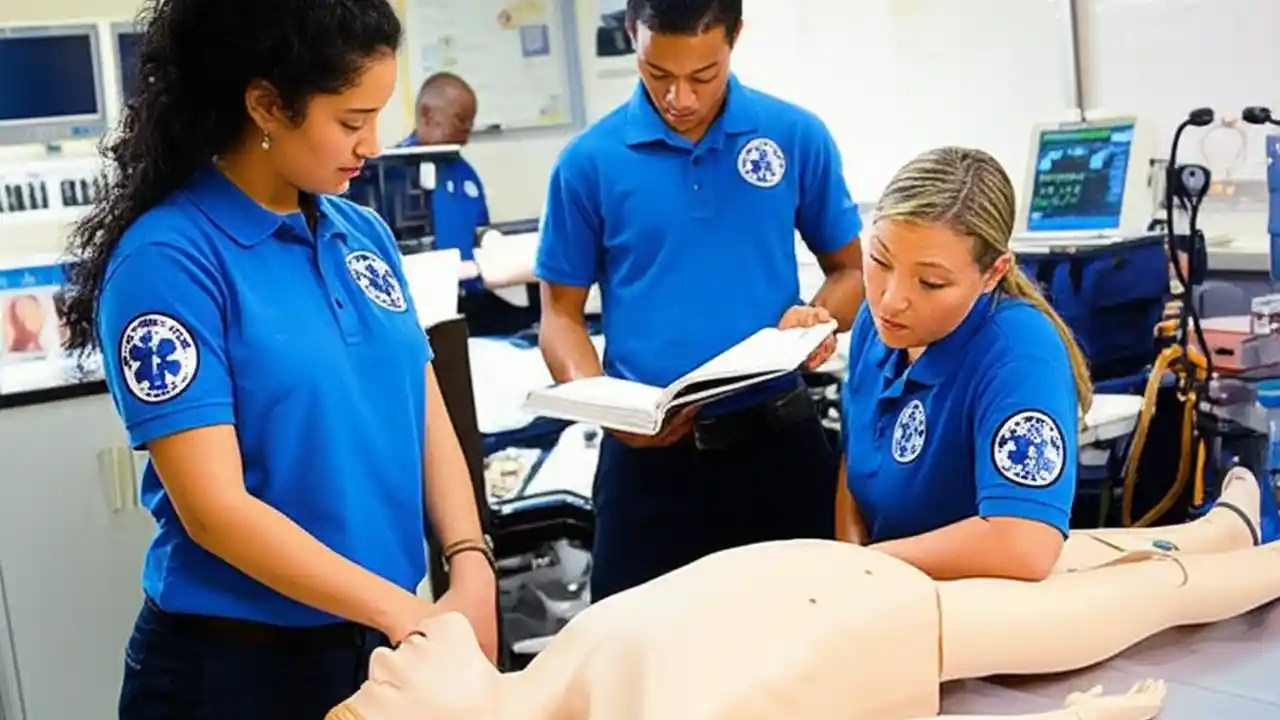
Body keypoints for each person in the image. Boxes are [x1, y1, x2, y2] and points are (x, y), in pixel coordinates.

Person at [59, 1, 496, 717]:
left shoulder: (362, 234)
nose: (373, 145)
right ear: (265, 104)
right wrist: (404, 612)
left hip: (379, 644)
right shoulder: (169, 259)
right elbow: (215, 511)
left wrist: (469, 557)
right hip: (237, 671)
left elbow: (422, 408)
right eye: (351, 122)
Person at [325, 467, 1274, 720]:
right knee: (1161, 595)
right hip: (904, 624)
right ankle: (1240, 555)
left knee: (1079, 552)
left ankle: (1213, 527)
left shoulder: (560, 669)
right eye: (383, 700)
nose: (382, 655)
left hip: (857, 578)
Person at [534, 0, 865, 602]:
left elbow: (849, 271)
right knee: (639, 663)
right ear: (632, 34)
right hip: (647, 466)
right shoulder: (588, 163)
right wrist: (604, 404)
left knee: (804, 653)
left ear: (735, 37)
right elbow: (559, 317)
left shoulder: (794, 136)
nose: (679, 98)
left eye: (702, 76)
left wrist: (819, 317)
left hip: (778, 448)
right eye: (657, 74)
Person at [836, 146, 1095, 581]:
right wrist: (849, 560)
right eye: (880, 261)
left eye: (931, 282)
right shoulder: (877, 324)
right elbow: (858, 453)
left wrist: (865, 567)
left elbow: (1024, 546)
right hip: (884, 591)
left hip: (978, 613)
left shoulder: (1019, 354)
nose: (891, 299)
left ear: (993, 273)